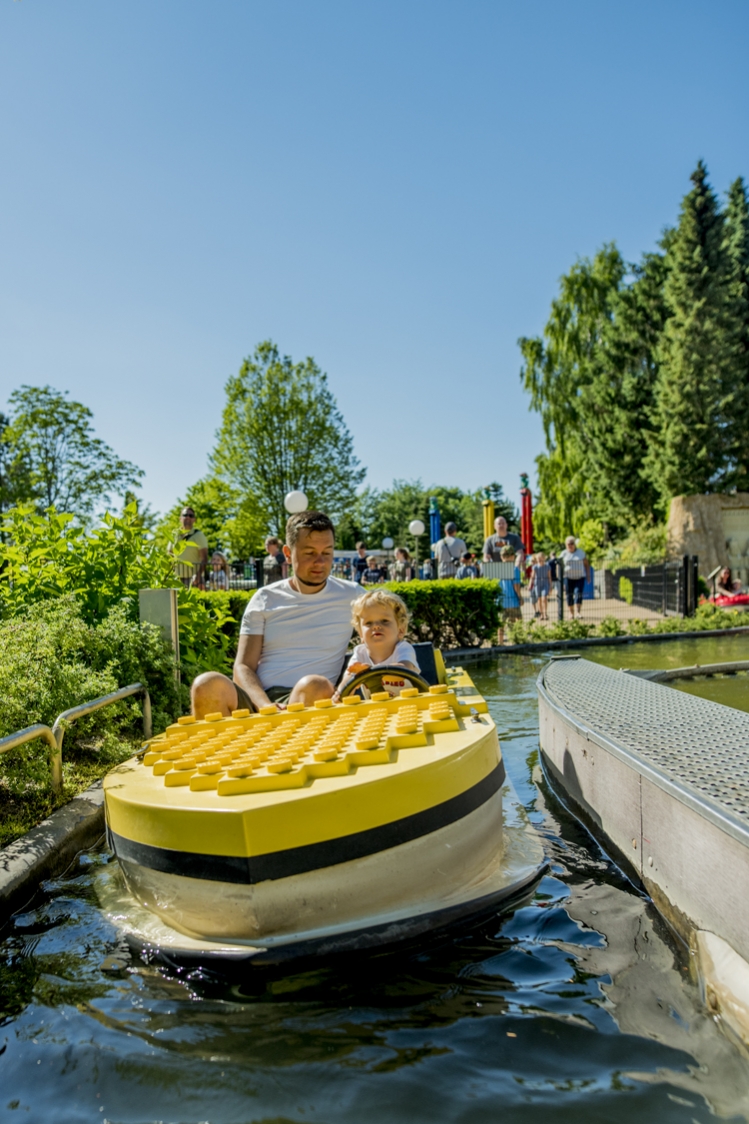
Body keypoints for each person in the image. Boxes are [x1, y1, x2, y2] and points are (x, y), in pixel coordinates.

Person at [190, 510, 361, 717]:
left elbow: (392, 621)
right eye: (309, 553)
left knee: (314, 686)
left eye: (327, 553)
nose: (320, 562)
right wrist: (264, 705)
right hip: (260, 698)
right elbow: (243, 666)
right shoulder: (265, 598)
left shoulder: (353, 595)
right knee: (206, 684)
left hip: (312, 696)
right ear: (288, 554)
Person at [334, 589, 420, 700]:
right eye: (368, 623)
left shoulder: (403, 648)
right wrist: (340, 692)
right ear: (360, 633)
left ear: (401, 630)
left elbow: (404, 671)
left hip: (412, 705)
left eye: (384, 621)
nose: (376, 626)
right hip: (377, 710)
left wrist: (370, 671)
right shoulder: (360, 653)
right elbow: (348, 678)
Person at [170, 507, 208, 588]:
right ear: (180, 518)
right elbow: (169, 555)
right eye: (185, 515)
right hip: (177, 579)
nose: (188, 517)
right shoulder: (175, 535)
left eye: (191, 515)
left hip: (193, 579)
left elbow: (204, 558)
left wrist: (198, 576)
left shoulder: (198, 535)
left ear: (194, 519)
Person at [497, 544, 522, 644]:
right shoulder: (514, 569)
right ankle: (515, 641)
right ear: (512, 556)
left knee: (501, 623)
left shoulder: (497, 569)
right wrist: (520, 598)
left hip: (500, 601)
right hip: (513, 601)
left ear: (501, 557)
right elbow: (516, 586)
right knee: (516, 621)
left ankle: (500, 642)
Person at [560, 536, 591, 618]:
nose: (570, 545)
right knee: (569, 595)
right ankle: (571, 613)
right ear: (566, 545)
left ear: (575, 544)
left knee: (578, 594)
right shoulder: (563, 554)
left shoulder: (581, 553)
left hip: (580, 577)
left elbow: (586, 564)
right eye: (568, 544)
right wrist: (560, 580)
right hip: (567, 578)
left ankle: (578, 612)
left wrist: (588, 575)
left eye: (572, 543)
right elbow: (559, 567)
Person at [529, 551, 551, 621]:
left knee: (544, 598)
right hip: (537, 584)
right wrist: (530, 584)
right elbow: (532, 576)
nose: (539, 560)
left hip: (545, 583)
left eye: (541, 558)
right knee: (539, 599)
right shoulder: (535, 567)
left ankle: (545, 613)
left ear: (544, 558)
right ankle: (541, 614)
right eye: (538, 558)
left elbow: (549, 577)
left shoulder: (547, 566)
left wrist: (550, 586)